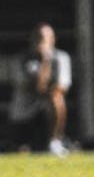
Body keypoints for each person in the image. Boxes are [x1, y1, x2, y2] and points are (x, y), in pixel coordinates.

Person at [8, 23, 72, 156]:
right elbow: (34, 88)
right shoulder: (21, 59)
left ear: (53, 39)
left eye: (45, 38)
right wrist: (45, 61)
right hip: (25, 114)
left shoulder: (61, 58)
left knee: (56, 99)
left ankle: (54, 142)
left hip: (48, 115)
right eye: (38, 37)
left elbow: (62, 88)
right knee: (21, 149)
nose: (41, 41)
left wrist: (47, 60)